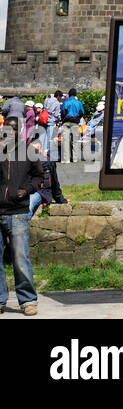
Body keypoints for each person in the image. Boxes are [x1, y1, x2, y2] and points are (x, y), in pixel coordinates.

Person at [0, 118, 42, 315]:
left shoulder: (29, 151)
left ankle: (27, 301)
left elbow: (39, 177)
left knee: (20, 258)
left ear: (20, 131)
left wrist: (26, 190)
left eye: (14, 129)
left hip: (18, 212)